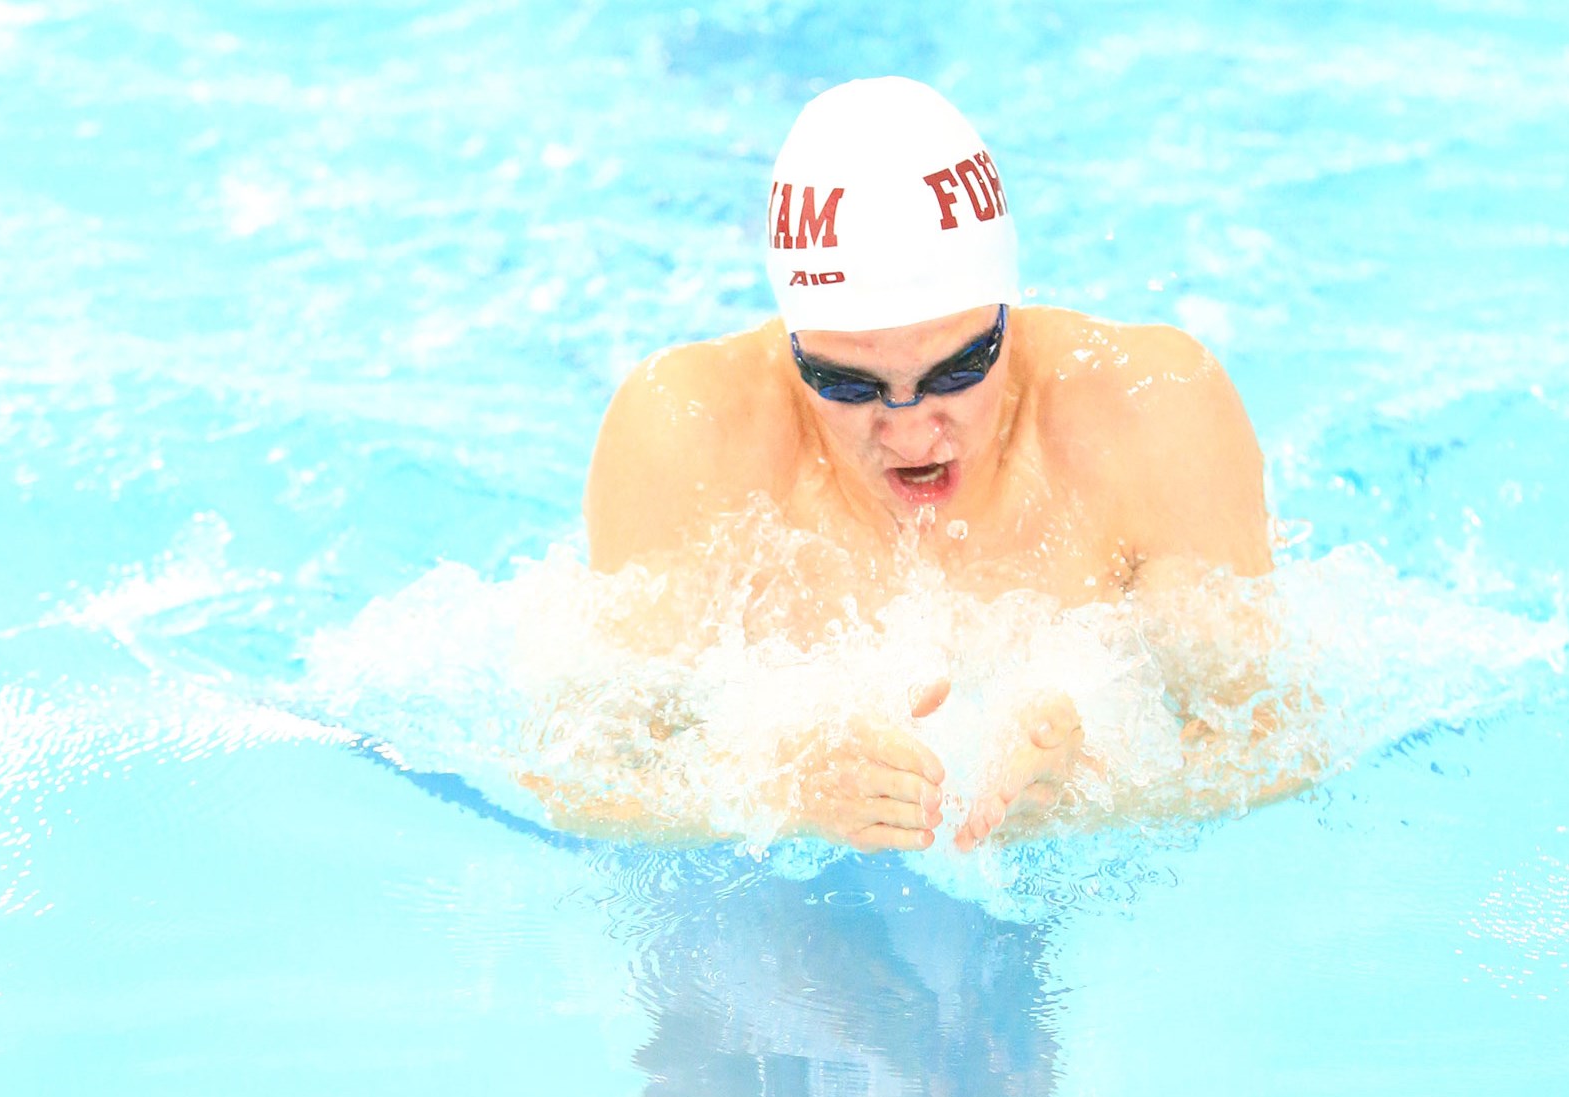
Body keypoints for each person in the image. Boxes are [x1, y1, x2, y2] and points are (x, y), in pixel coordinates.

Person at [533, 77, 1289, 854]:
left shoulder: (1151, 414)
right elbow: (576, 780)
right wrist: (773, 790)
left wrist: (1097, 788)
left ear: (1006, 312)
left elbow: (1279, 739)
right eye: (846, 383)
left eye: (958, 370)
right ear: (791, 345)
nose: (909, 433)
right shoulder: (688, 438)